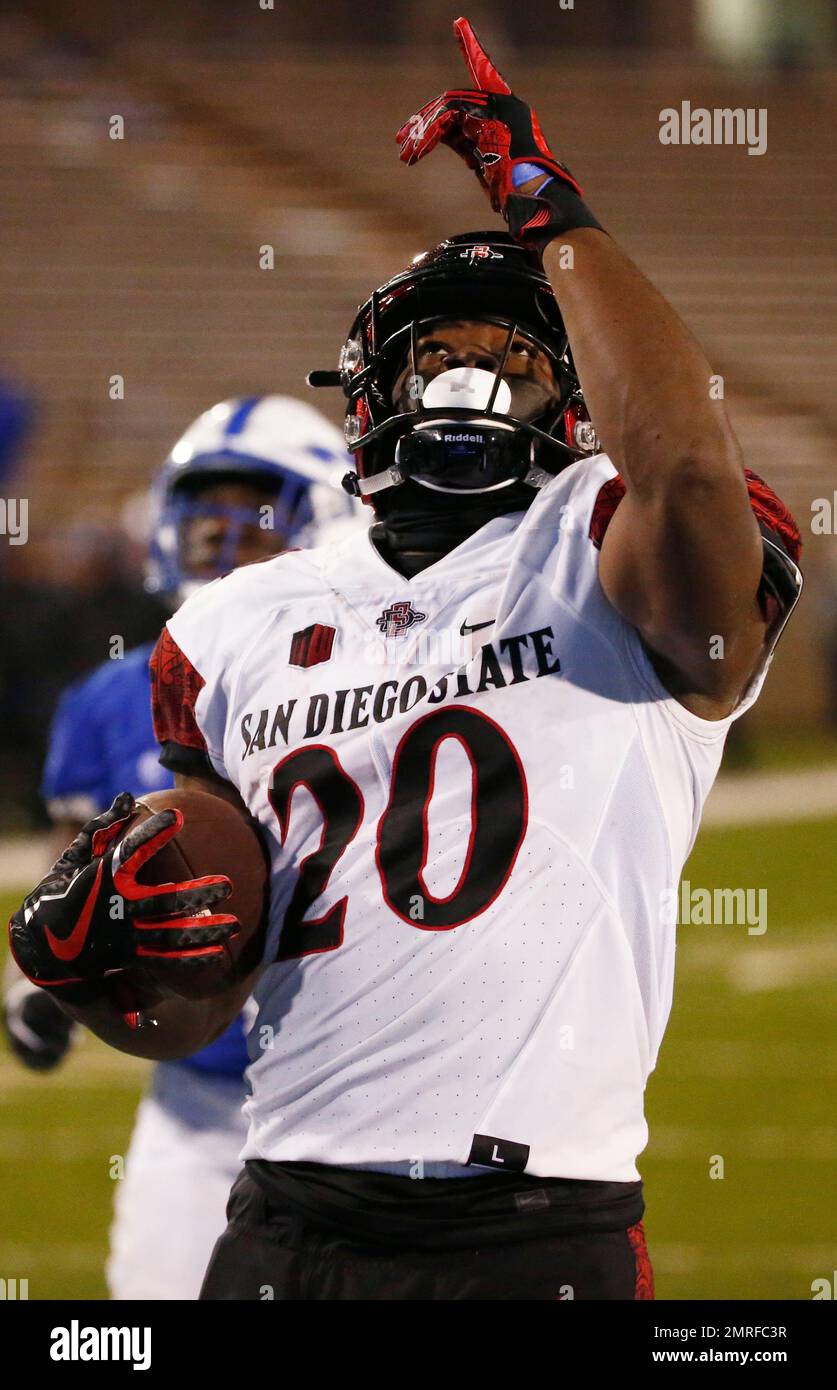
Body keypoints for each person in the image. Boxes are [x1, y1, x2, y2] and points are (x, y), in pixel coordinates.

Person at [9, 20, 803, 1301]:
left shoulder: (608, 549)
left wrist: (549, 206)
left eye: (512, 357)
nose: (467, 377)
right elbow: (204, 994)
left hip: (536, 1225)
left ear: (581, 402)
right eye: (435, 353)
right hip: (287, 1219)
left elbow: (688, 469)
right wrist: (101, 972)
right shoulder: (231, 627)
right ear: (370, 393)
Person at [3, 393, 356, 1299]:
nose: (216, 532)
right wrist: (44, 983)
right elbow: (74, 869)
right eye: (202, 508)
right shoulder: (111, 696)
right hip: (199, 1105)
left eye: (253, 508)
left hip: (358, 1100)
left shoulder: (380, 672)